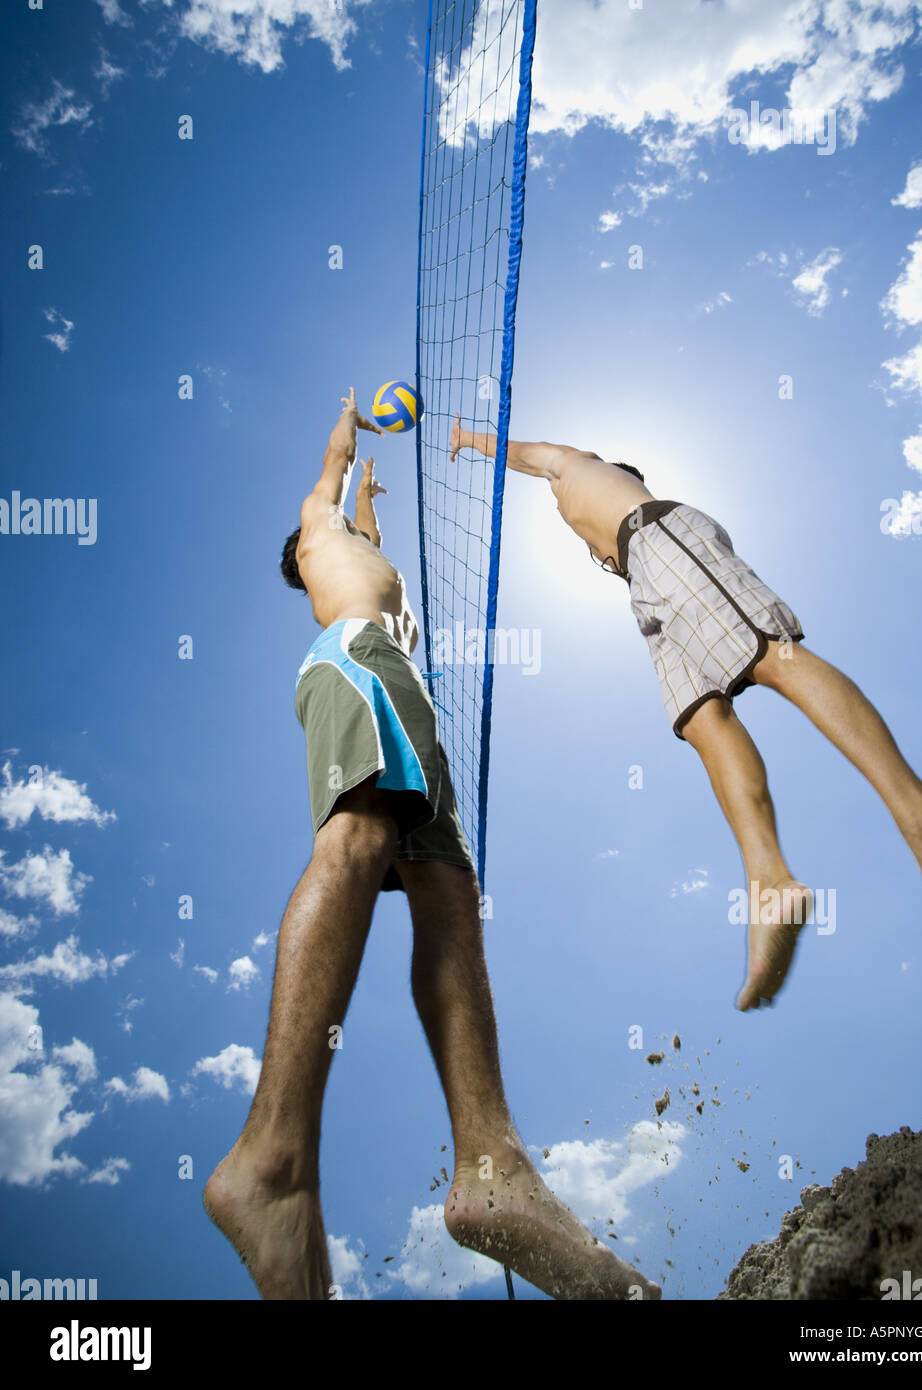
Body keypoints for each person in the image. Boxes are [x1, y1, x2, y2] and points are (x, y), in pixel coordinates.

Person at [203, 390, 661, 1301]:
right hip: (361, 662)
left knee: (448, 885)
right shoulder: (316, 534)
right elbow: (330, 479)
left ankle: (491, 1172)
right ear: (306, 549)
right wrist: (345, 422)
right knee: (359, 835)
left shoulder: (359, 551)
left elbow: (365, 529)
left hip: (401, 680)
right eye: (341, 520)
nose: (347, 520)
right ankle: (272, 1160)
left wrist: (371, 501)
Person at [451, 415, 922, 1009]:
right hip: (644, 583)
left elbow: (523, 454)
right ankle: (770, 883)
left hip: (660, 537)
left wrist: (471, 439)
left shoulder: (575, 464)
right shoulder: (600, 539)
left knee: (772, 657)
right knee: (703, 721)